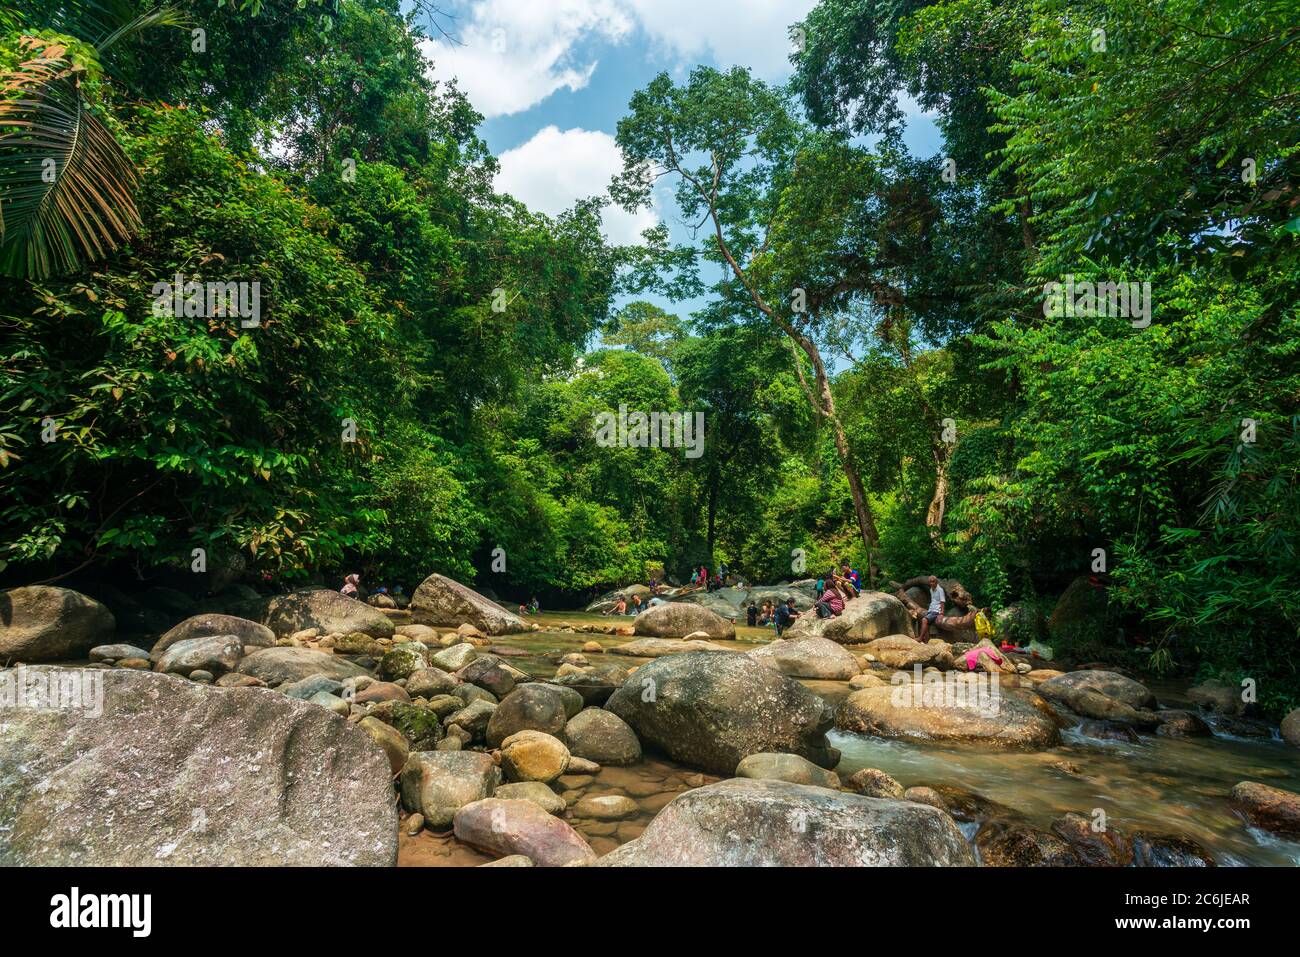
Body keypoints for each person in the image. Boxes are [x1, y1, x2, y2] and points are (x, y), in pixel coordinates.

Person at [919, 575, 946, 641]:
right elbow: (933, 600)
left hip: (936, 610)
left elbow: (942, 601)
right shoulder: (931, 589)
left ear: (936, 582)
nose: (931, 583)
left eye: (933, 582)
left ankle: (920, 638)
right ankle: (927, 641)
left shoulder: (940, 590)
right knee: (926, 624)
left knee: (924, 620)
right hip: (931, 609)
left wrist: (941, 613)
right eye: (930, 582)